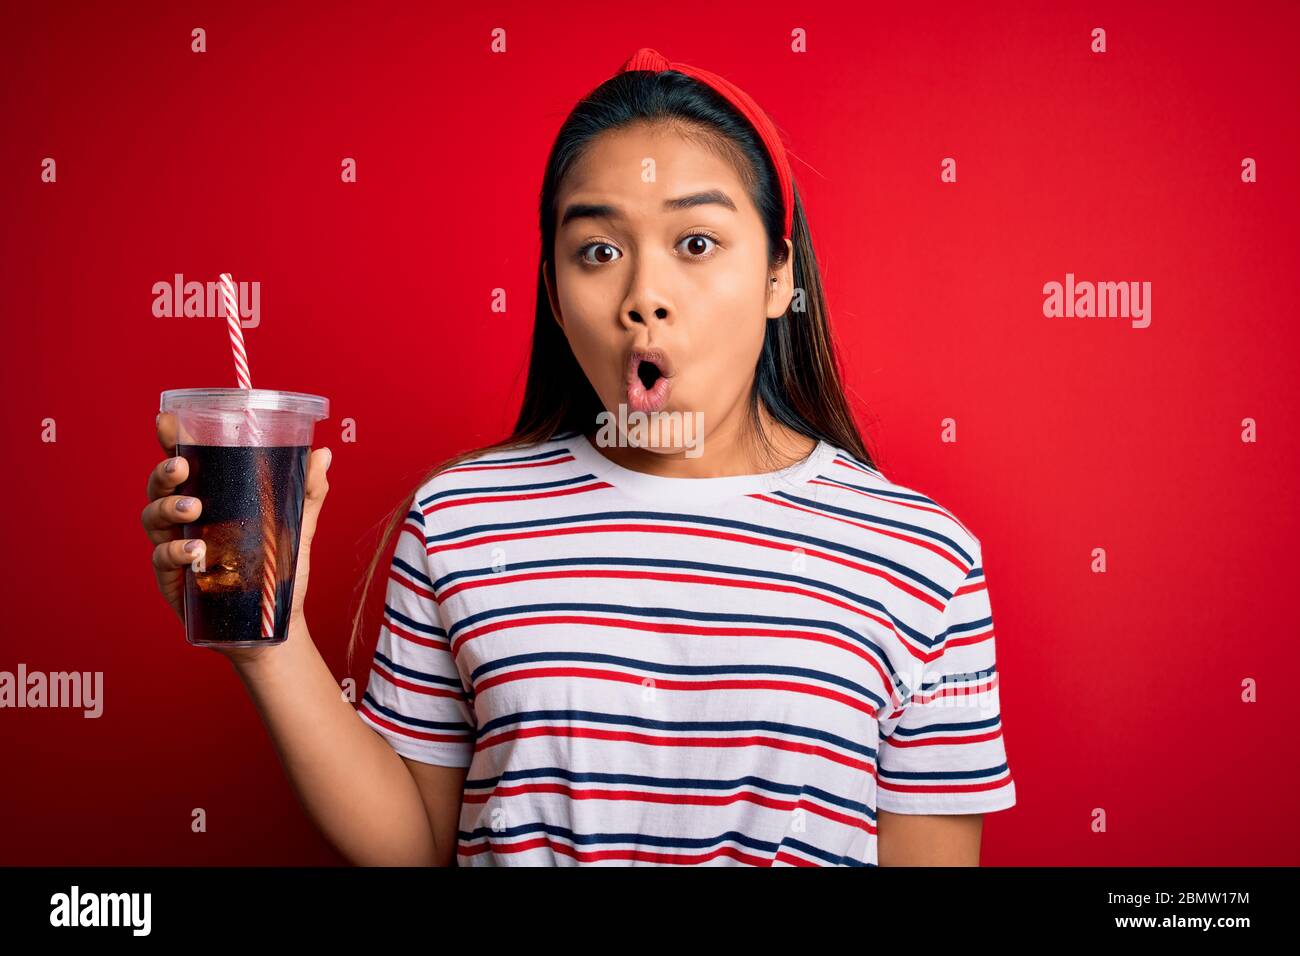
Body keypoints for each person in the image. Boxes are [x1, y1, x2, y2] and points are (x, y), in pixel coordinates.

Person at [142, 48, 1015, 867]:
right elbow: (412, 841)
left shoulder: (921, 557)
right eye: (598, 252)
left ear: (781, 275)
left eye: (697, 244)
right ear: (557, 299)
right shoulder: (460, 518)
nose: (644, 298)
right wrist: (273, 642)